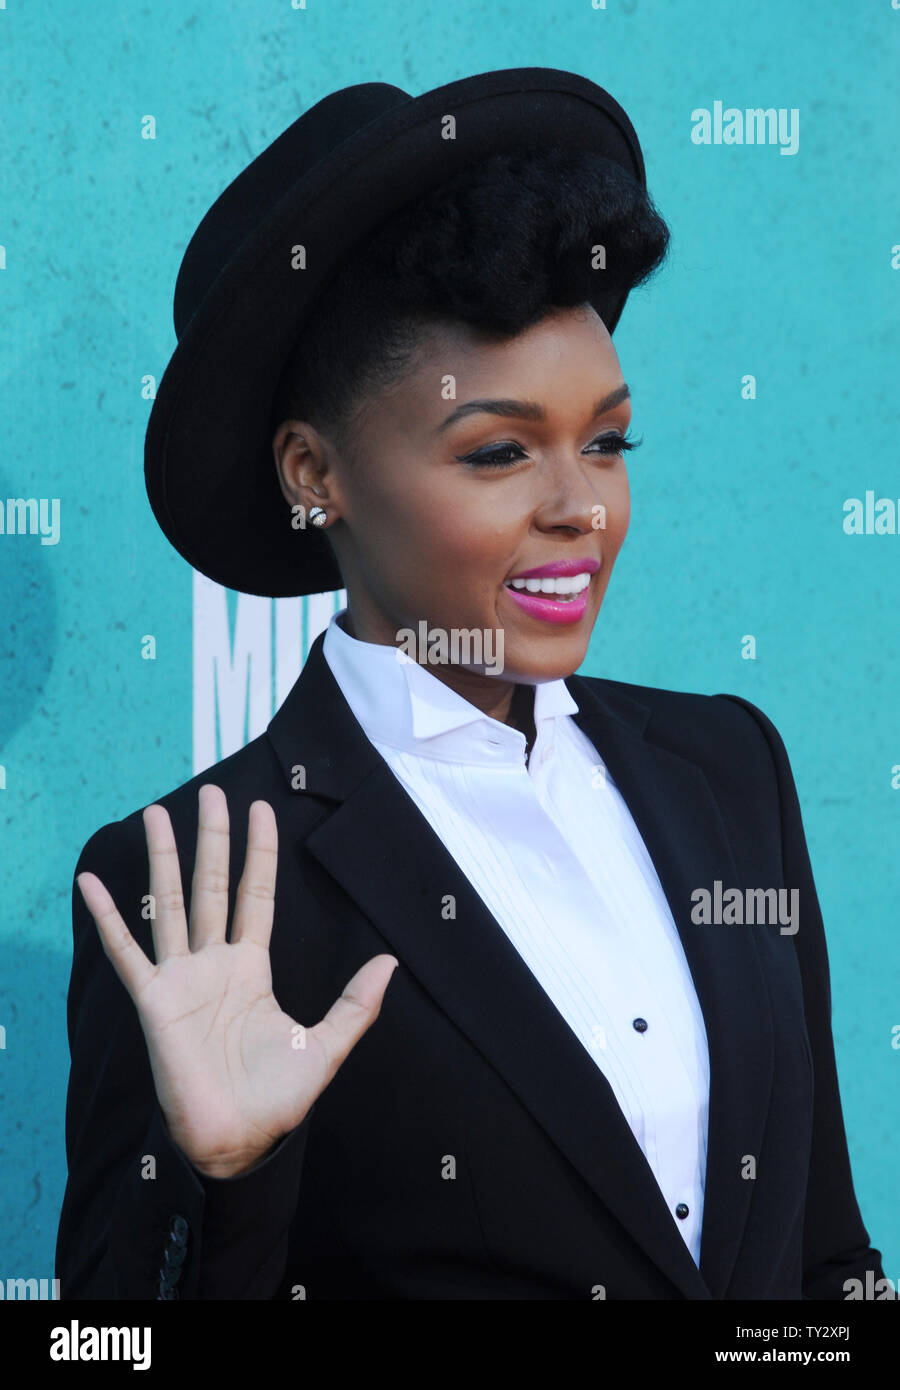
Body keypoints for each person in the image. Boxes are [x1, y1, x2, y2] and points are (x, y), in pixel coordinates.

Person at [56, 67, 887, 1300]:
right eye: (499, 452)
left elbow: (824, 1263)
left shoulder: (731, 773)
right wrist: (221, 1177)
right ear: (313, 475)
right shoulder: (198, 879)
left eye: (607, 440)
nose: (581, 508)